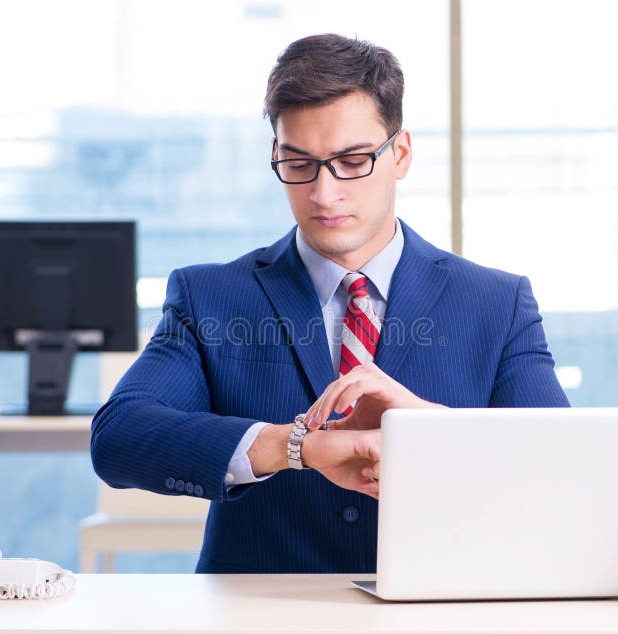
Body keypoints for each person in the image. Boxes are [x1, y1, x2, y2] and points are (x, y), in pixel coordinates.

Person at [91, 33, 569, 574]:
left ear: (401, 154)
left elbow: (561, 471)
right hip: (258, 610)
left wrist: (432, 431)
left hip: (440, 603)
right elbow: (119, 437)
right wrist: (295, 446)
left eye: (352, 160)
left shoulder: (497, 303)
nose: (323, 193)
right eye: (299, 164)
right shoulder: (210, 297)